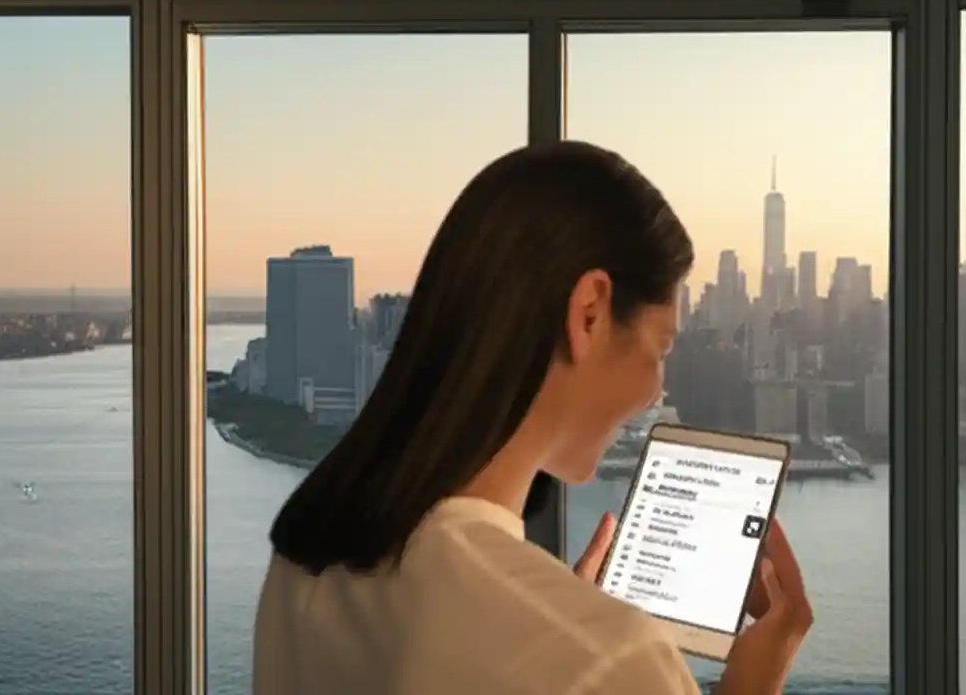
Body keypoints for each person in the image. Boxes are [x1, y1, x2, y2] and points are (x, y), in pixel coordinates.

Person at [253, 141, 813, 694]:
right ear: (589, 314)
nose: (655, 392)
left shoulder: (301, 566)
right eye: (660, 350)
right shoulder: (612, 659)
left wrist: (558, 610)